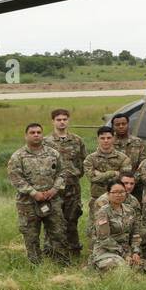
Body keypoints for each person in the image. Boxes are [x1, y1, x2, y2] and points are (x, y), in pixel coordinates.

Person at [8, 121, 69, 264]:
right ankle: (36, 264)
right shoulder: (18, 156)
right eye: (32, 133)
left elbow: (63, 173)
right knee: (31, 234)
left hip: (52, 200)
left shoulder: (53, 153)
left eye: (39, 132)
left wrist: (55, 189)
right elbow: (15, 177)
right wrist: (33, 192)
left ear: (42, 135)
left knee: (58, 232)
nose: (36, 135)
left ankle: (61, 263)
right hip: (28, 203)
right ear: (26, 136)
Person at [47, 108, 86, 258]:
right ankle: (53, 251)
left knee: (72, 218)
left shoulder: (77, 140)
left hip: (73, 187)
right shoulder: (46, 141)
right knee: (54, 220)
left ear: (68, 120)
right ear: (53, 121)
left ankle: (74, 250)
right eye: (58, 119)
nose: (62, 122)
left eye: (64, 119)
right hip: (53, 189)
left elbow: (83, 161)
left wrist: (74, 175)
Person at [89, 179, 146, 273]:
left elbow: (135, 234)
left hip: (126, 249)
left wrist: (135, 252)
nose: (119, 195)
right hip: (107, 250)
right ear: (108, 194)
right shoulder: (103, 212)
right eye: (115, 192)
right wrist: (124, 255)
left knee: (143, 267)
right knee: (119, 267)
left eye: (121, 192)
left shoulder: (130, 210)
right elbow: (104, 238)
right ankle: (95, 265)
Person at [84, 125, 131, 206]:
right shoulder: (90, 159)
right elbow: (92, 179)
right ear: (97, 139)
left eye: (109, 138)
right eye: (102, 138)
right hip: (97, 199)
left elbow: (124, 180)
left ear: (113, 139)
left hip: (118, 199)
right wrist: (113, 173)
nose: (106, 141)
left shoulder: (123, 158)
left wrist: (99, 174)